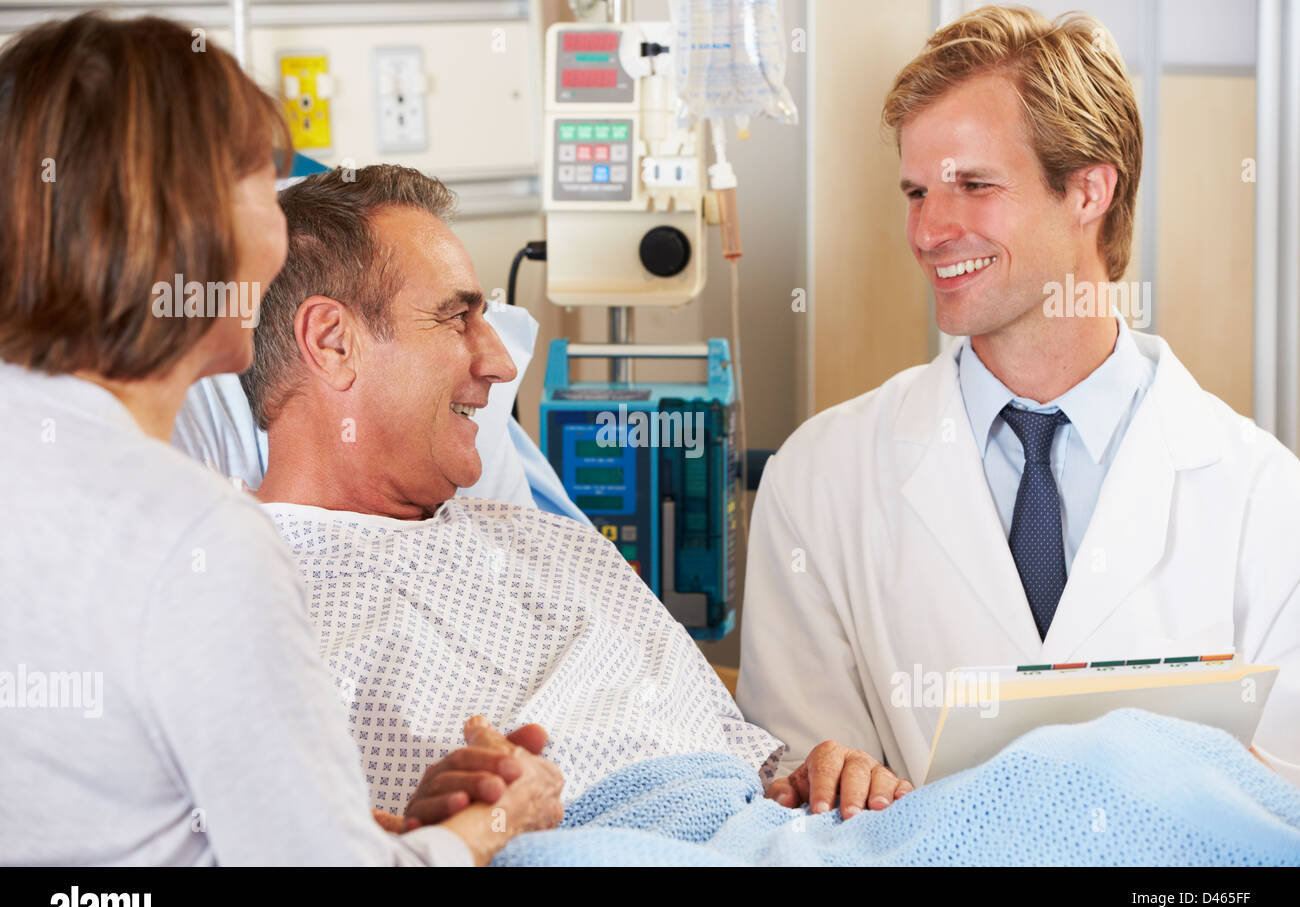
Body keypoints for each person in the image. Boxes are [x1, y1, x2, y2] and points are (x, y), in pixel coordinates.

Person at [0, 12, 561, 866]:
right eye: (265, 190)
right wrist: (499, 819)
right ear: (189, 228)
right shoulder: (197, 538)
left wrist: (344, 820)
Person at [239, 163, 913, 819]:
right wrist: (432, 842)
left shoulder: (553, 539)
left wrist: (824, 773)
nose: (500, 364)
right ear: (332, 343)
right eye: (454, 319)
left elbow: (762, 779)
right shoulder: (250, 623)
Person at [738, 6, 1300, 788]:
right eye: (915, 192)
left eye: (974, 185)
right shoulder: (820, 478)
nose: (930, 231)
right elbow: (802, 787)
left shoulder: (1265, 499)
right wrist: (827, 779)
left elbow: (1279, 813)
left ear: (1088, 191)